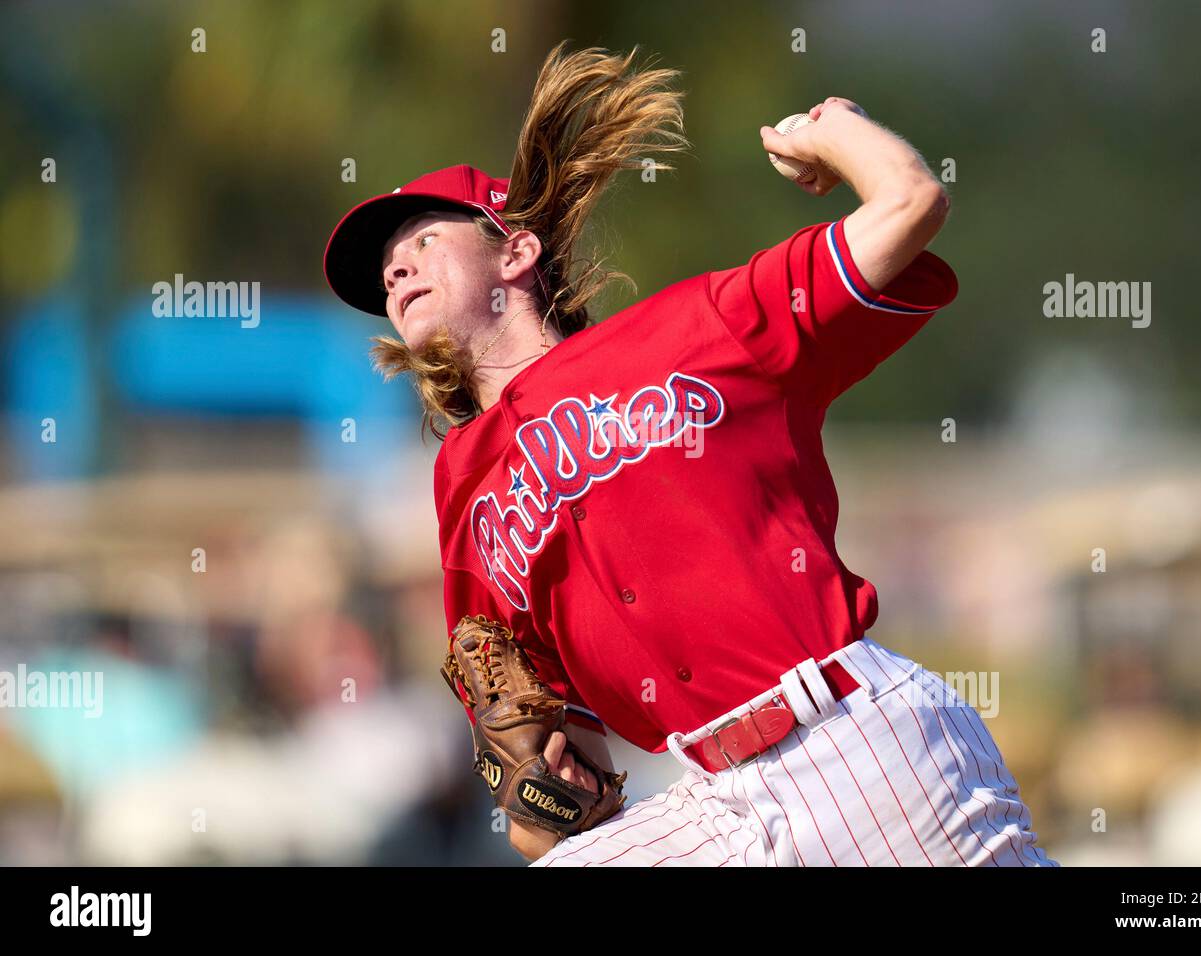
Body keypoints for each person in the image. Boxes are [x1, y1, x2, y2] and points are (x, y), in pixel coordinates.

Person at [323, 43, 1056, 866]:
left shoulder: (699, 327)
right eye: (385, 272)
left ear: (516, 252)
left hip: (853, 741)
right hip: (713, 799)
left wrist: (833, 130)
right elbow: (547, 783)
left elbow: (910, 200)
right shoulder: (464, 486)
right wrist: (545, 785)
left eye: (421, 240)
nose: (394, 268)